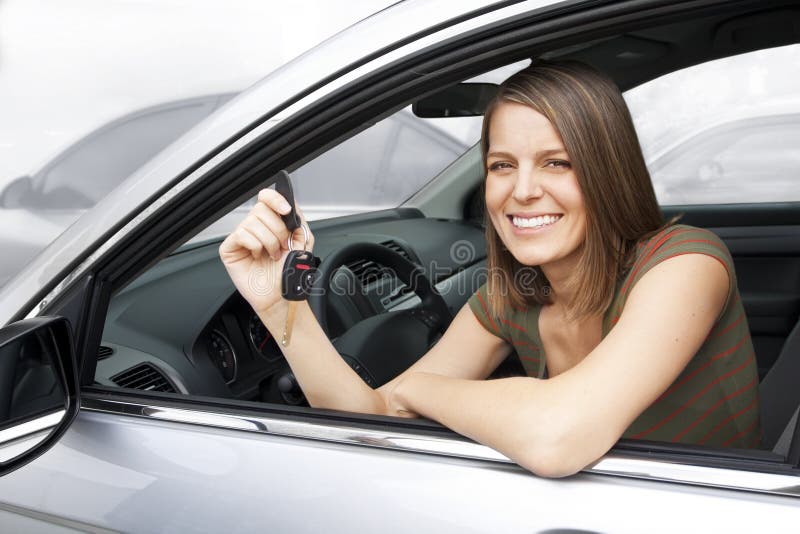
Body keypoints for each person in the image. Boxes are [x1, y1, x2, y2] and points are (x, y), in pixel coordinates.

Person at [219, 61, 760, 478]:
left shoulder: (685, 262)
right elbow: (371, 421)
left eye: (558, 163)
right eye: (503, 166)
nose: (522, 191)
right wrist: (278, 304)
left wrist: (417, 392)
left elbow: (557, 438)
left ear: (606, 172)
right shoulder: (510, 297)